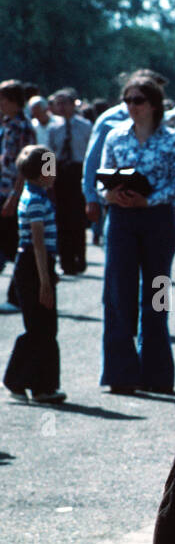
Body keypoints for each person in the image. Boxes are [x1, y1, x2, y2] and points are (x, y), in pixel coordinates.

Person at [99, 75, 175, 394]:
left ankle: (156, 374)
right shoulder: (114, 136)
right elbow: (101, 177)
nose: (132, 107)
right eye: (128, 101)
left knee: (155, 295)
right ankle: (120, 373)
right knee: (118, 294)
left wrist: (149, 199)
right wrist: (109, 195)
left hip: (156, 218)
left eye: (138, 101)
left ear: (153, 105)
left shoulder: (173, 138)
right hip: (121, 218)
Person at [3, 145, 65, 403]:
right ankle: (32, 384)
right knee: (41, 327)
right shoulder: (36, 201)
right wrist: (45, 282)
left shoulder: (35, 195)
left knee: (42, 326)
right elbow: (36, 243)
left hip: (37, 264)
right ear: (41, 173)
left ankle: (35, 383)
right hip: (32, 265)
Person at [83, 70, 168, 251]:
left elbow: (174, 171)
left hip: (155, 208)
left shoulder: (163, 122)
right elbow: (93, 163)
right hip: (119, 203)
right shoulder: (109, 121)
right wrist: (92, 197)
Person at [47, 89, 92, 275]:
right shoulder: (53, 127)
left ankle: (79, 257)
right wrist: (48, 180)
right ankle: (66, 261)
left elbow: (90, 152)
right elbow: (49, 155)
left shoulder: (85, 125)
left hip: (78, 171)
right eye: (58, 103)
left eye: (64, 103)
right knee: (62, 219)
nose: (61, 107)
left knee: (78, 218)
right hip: (61, 173)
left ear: (74, 104)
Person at [0, 81, 37, 293]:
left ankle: (17, 295)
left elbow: (25, 167)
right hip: (2, 188)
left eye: (3, 99)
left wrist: (15, 196)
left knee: (18, 246)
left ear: (14, 101)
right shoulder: (7, 124)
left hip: (14, 192)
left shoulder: (22, 127)